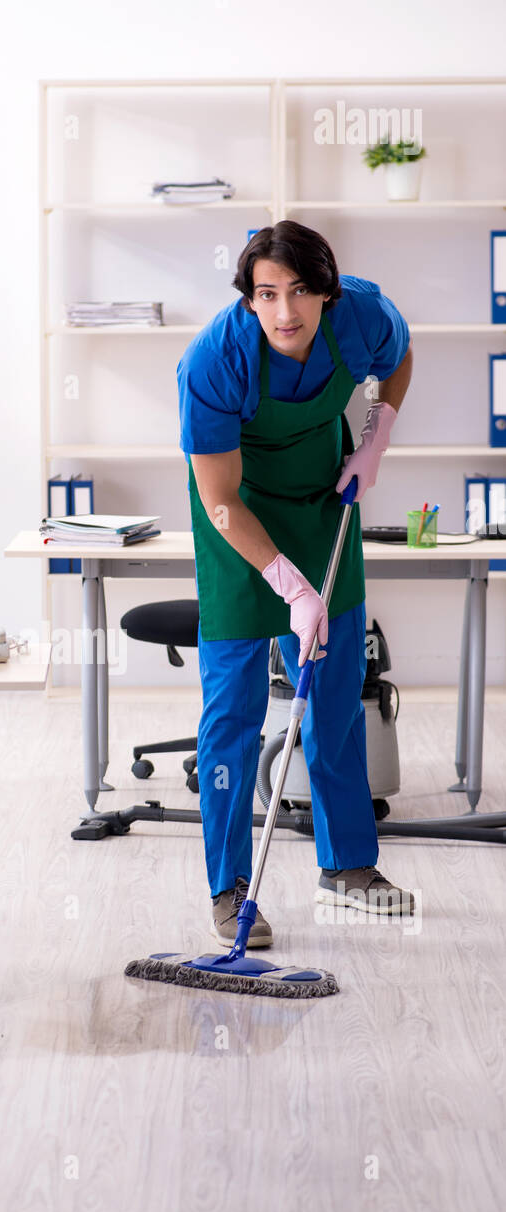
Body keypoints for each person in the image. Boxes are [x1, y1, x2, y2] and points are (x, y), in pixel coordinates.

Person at [176, 220, 415, 948]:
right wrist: (286, 584)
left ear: (327, 293)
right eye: (267, 294)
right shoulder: (214, 360)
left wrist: (374, 438)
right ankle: (229, 887)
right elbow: (219, 498)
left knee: (336, 699)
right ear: (248, 299)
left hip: (320, 503)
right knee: (232, 719)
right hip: (237, 526)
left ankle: (346, 869)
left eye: (301, 292)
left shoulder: (361, 316)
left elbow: (398, 359)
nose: (285, 312)